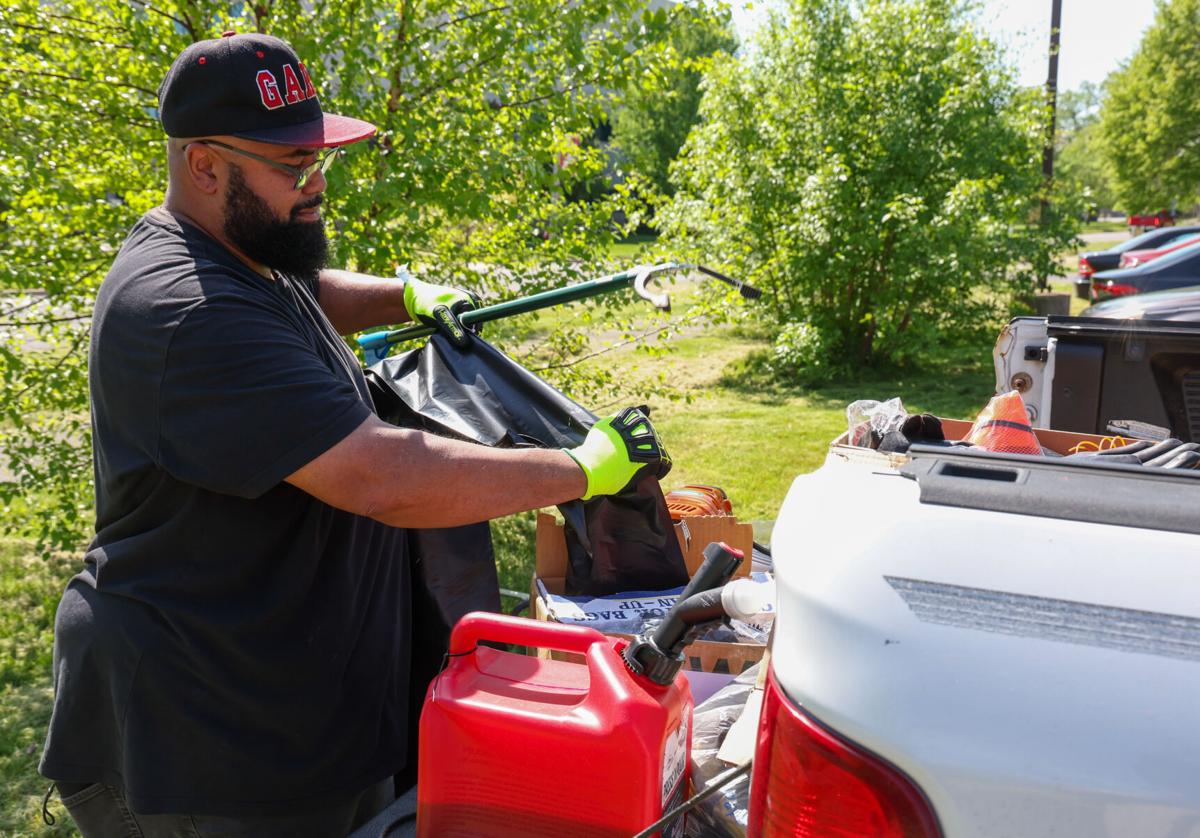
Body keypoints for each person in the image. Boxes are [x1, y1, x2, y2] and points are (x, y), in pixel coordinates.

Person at [39, 31, 669, 837]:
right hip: (202, 739)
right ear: (204, 165)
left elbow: (300, 290)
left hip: (291, 712)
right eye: (293, 166)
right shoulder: (183, 308)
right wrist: (580, 470)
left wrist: (402, 295)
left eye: (321, 160)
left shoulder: (232, 253)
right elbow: (383, 477)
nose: (316, 187)